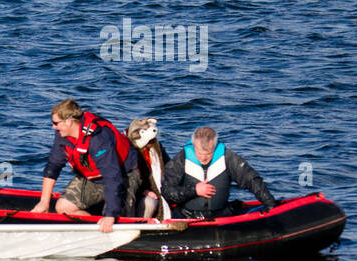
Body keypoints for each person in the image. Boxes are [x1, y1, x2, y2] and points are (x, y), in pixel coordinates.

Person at [31, 99, 143, 233]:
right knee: (63, 206)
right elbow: (53, 166)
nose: (53, 127)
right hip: (94, 178)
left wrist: (110, 215)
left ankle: (142, 203)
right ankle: (95, 227)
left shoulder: (97, 139)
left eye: (55, 123)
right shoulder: (62, 135)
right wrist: (44, 202)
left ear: (69, 121)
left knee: (117, 217)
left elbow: (113, 177)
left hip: (124, 175)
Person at [161, 126, 277, 219]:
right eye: (200, 153)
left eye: (208, 154)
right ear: (194, 146)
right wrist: (194, 190)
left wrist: (271, 205)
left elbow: (251, 180)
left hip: (221, 215)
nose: (203, 158)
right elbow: (167, 191)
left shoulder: (228, 157)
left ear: (214, 147)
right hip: (187, 216)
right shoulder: (181, 159)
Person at [126, 117, 169, 219]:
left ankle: (144, 224)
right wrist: (143, 191)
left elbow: (168, 167)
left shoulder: (157, 150)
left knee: (149, 203)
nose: (150, 144)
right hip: (133, 190)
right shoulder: (127, 150)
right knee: (145, 202)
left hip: (152, 191)